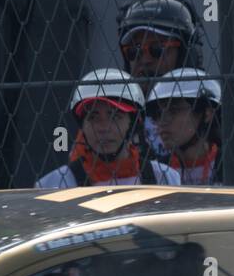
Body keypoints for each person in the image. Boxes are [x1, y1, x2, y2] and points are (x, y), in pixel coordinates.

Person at [35, 68, 181, 188]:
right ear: (82, 126)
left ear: (134, 123)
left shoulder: (165, 177)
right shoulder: (52, 185)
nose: (104, 128)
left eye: (115, 116)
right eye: (93, 117)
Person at [117, 0, 205, 159]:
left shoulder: (212, 118)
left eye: (157, 49)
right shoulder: (112, 122)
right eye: (133, 52)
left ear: (186, 56)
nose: (144, 60)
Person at [147, 68, 223, 184]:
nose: (162, 122)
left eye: (173, 111)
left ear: (207, 113)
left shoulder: (230, 164)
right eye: (157, 114)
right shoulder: (153, 171)